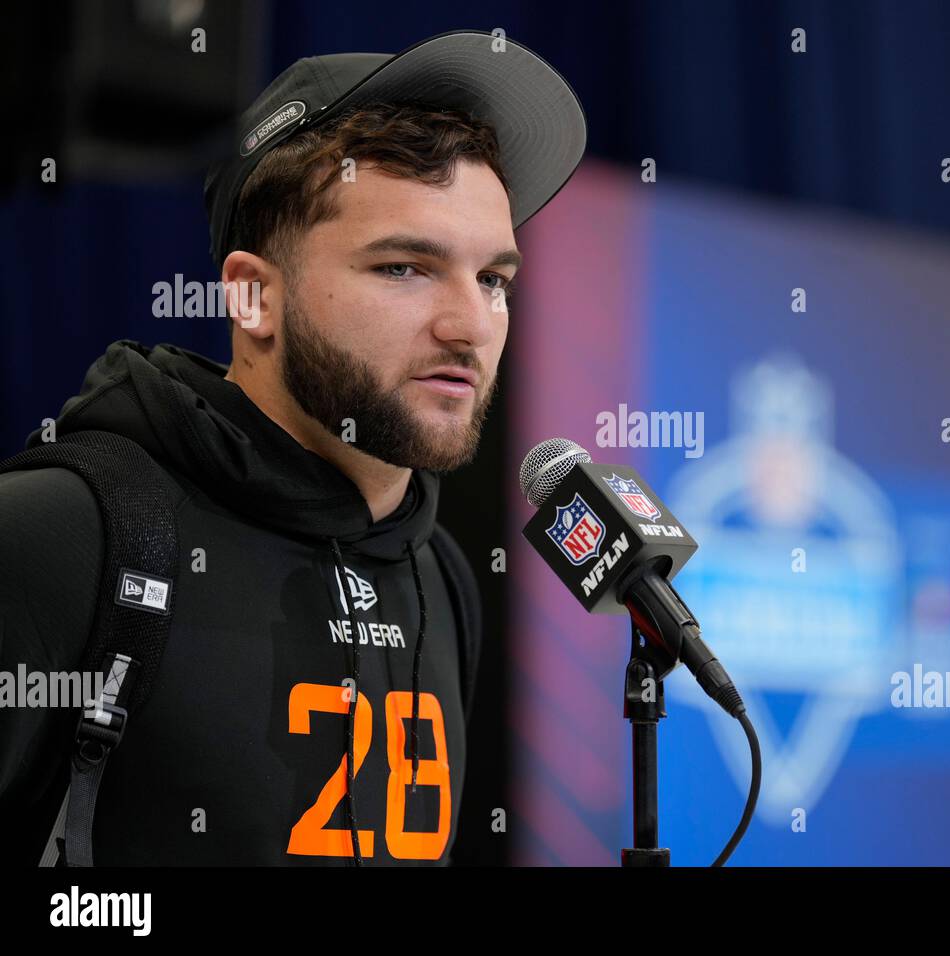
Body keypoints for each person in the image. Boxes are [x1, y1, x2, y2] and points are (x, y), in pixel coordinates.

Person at [0, 29, 586, 866]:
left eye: (493, 279)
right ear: (253, 296)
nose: (469, 326)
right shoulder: (60, 533)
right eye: (403, 268)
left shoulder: (442, 573)